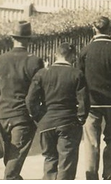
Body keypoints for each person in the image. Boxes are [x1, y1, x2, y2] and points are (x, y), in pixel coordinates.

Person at [0, 20, 45, 180]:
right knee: (13, 163)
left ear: (13, 38)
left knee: (11, 159)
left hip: (2, 116)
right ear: (28, 39)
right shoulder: (34, 61)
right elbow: (40, 92)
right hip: (23, 117)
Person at [78, 16, 111, 180]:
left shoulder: (85, 51)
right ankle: (109, 175)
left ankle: (91, 177)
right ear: (110, 30)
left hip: (91, 104)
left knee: (91, 142)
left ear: (95, 30)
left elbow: (79, 79)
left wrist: (79, 103)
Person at [27, 43, 88, 180]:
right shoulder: (77, 74)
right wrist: (80, 119)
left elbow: (30, 99)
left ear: (56, 55)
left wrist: (39, 117)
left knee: (49, 158)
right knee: (67, 161)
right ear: (72, 56)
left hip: (46, 122)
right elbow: (84, 100)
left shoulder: (42, 73)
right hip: (68, 122)